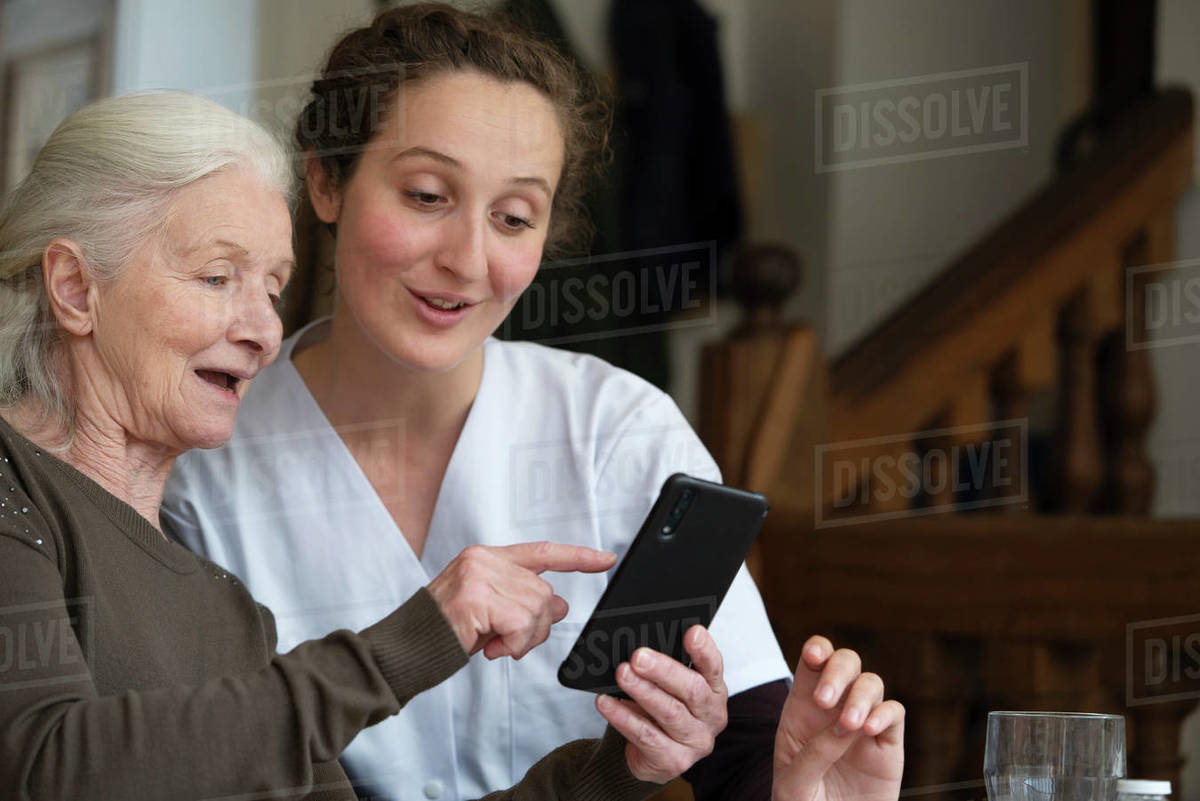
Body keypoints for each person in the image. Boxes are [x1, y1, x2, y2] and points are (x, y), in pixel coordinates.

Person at [161, 4, 902, 800]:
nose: (467, 260)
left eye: (513, 217)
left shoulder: (617, 432)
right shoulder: (204, 461)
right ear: (325, 181)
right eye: (424, 195)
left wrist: (806, 787)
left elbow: (750, 752)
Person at [0, 89, 735, 801]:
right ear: (73, 285)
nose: (261, 331)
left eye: (273, 289)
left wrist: (616, 773)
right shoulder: (14, 491)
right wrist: (417, 637)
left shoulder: (223, 603)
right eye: (218, 277)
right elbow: (47, 771)